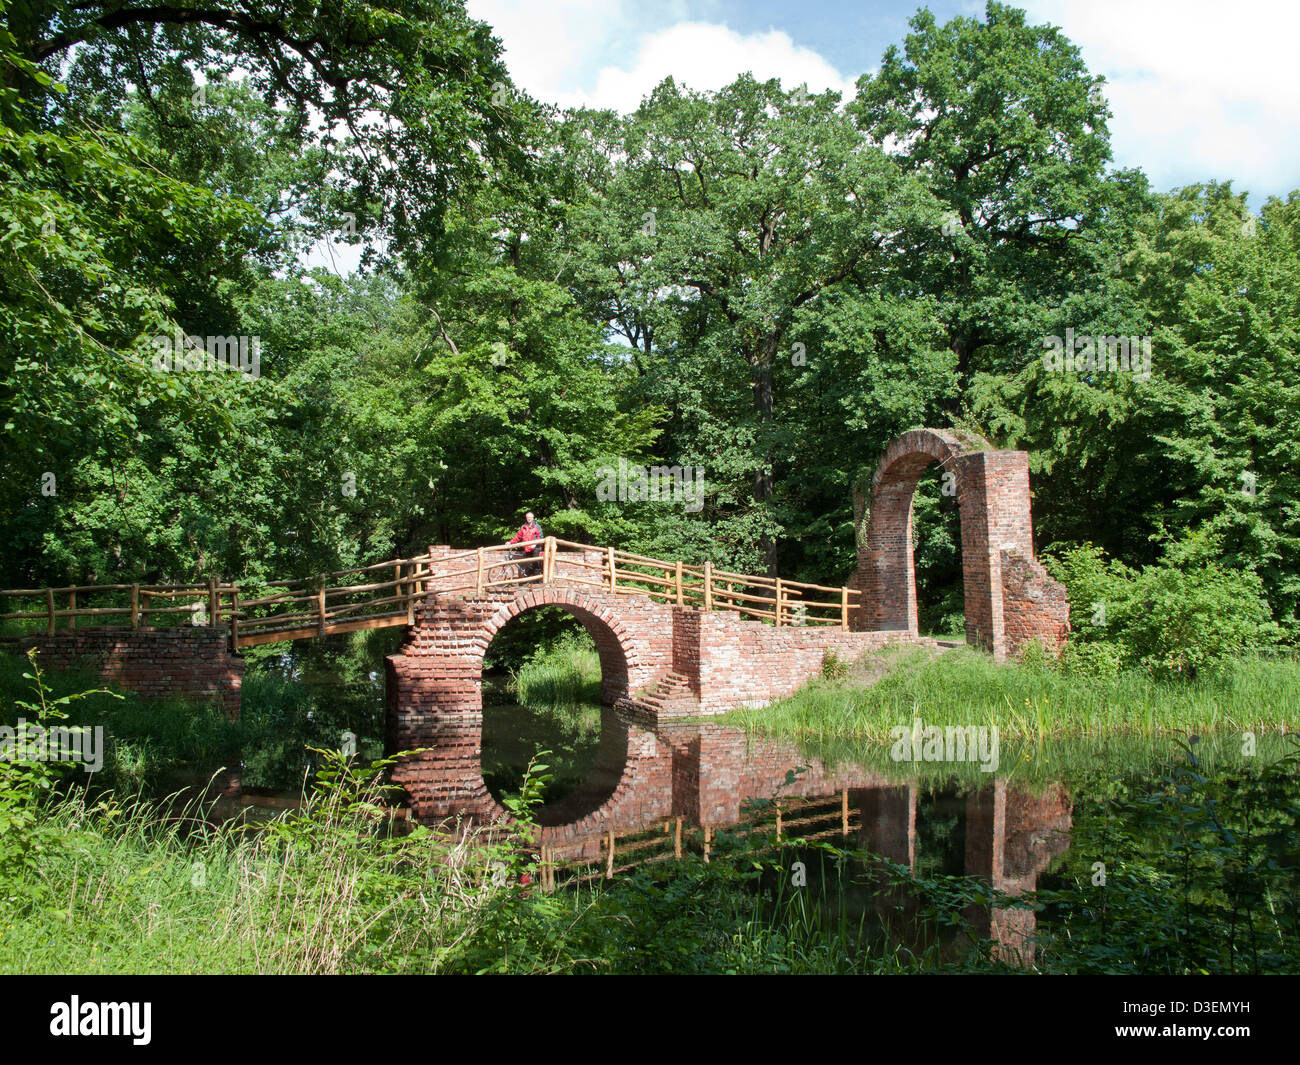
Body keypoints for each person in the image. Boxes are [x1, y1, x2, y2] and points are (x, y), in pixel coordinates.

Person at [507, 511, 544, 578]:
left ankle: (537, 580)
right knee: (528, 564)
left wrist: (535, 544)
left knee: (535, 563)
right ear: (526, 518)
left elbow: (540, 537)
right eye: (528, 517)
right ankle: (529, 580)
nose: (529, 518)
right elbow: (518, 536)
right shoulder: (523, 527)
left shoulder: (537, 526)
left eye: (530, 517)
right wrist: (510, 542)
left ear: (533, 518)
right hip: (527, 548)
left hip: (536, 548)